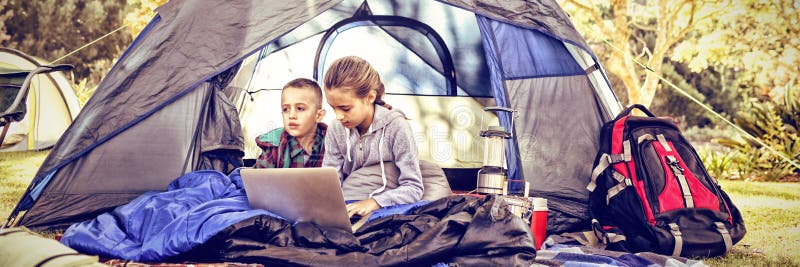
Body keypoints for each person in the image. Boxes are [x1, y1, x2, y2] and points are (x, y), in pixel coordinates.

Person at [322, 56, 424, 218]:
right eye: (333, 108)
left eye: (345, 108)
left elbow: (414, 187)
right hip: (348, 205)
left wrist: (374, 203)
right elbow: (329, 181)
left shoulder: (396, 126)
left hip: (386, 207)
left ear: (369, 97)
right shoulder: (336, 128)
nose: (338, 116)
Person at [254, 78, 327, 168]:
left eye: (300, 108)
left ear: (319, 115)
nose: (291, 115)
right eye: (286, 109)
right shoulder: (273, 147)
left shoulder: (333, 143)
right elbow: (259, 177)